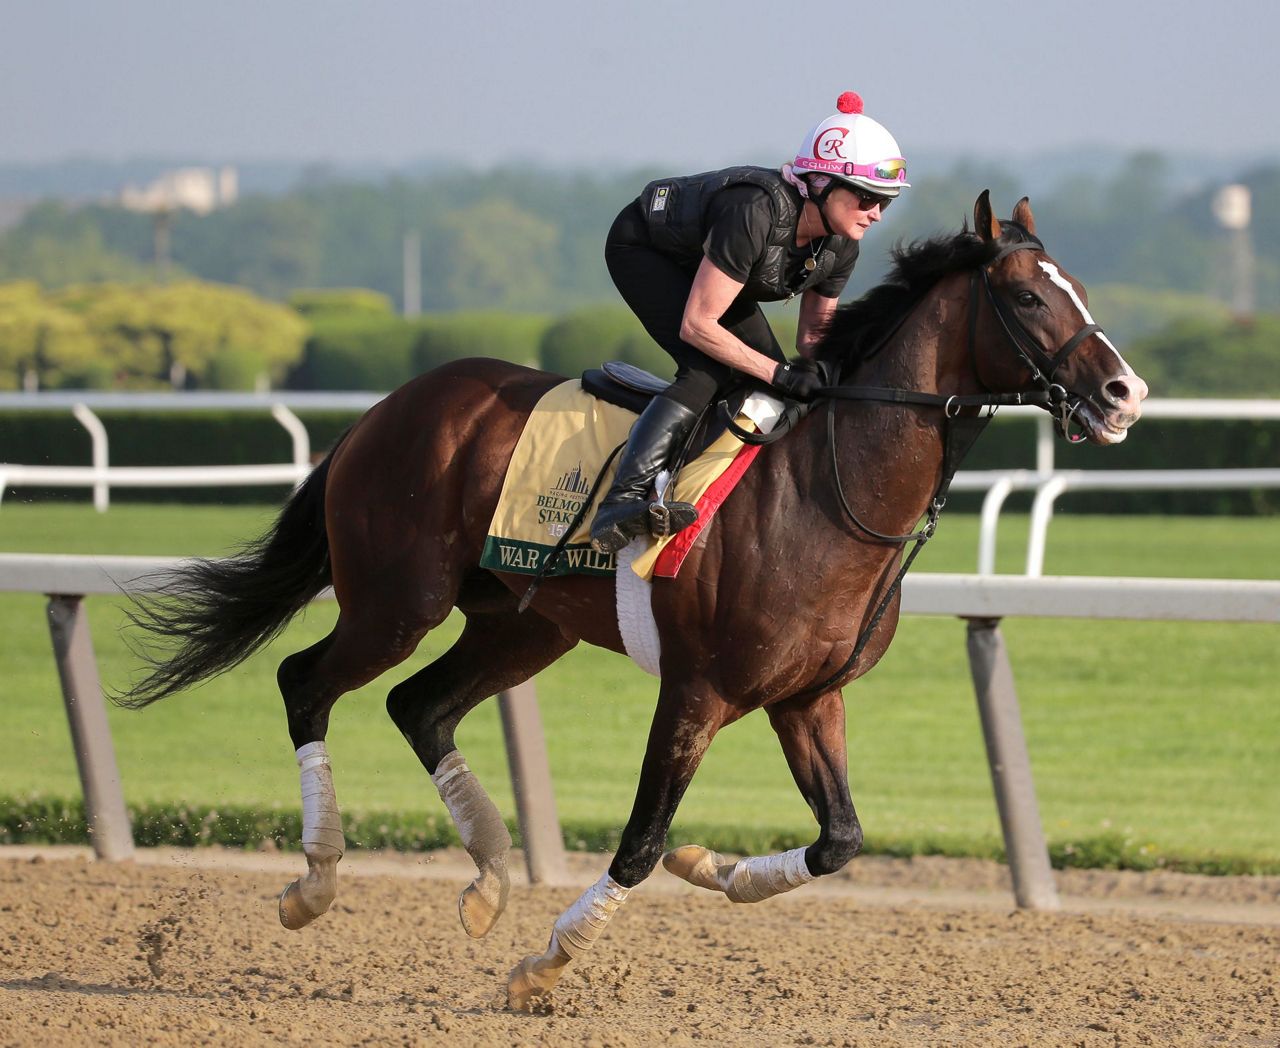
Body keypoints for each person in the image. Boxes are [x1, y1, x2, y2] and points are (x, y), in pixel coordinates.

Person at [589, 91, 912, 555]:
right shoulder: (755, 212)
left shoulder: (842, 245)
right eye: (866, 197)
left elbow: (813, 339)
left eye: (886, 202)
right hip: (645, 249)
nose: (876, 213)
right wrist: (778, 372)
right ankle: (621, 502)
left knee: (773, 384)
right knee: (709, 369)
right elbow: (698, 324)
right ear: (820, 182)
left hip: (712, 270)